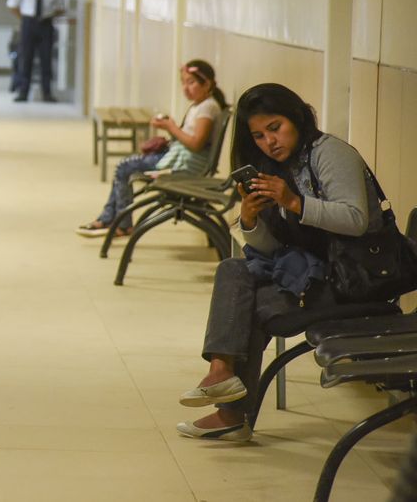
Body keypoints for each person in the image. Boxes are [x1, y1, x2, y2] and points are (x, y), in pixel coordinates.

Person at [177, 83, 388, 441]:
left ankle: (229, 409)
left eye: (275, 128)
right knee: (233, 269)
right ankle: (220, 372)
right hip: (310, 275)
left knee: (249, 305)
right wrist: (250, 220)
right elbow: (272, 248)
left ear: (298, 117)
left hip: (355, 280)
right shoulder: (277, 166)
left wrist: (294, 202)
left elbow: (356, 219)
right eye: (258, 135)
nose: (268, 142)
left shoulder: (329, 153)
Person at [77, 60, 227, 237]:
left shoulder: (207, 108)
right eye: (183, 82)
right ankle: (109, 218)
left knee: (124, 167)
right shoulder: (201, 105)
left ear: (207, 83)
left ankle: (120, 223)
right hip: (181, 160)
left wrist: (171, 127)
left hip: (184, 167)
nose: (186, 88)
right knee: (125, 167)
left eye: (191, 82)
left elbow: (196, 144)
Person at [7, 0, 65, 102]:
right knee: (26, 58)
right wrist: (24, 19)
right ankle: (23, 92)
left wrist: (50, 15)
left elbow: (61, 7)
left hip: (45, 23)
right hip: (28, 23)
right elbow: (12, 4)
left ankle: (47, 92)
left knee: (46, 59)